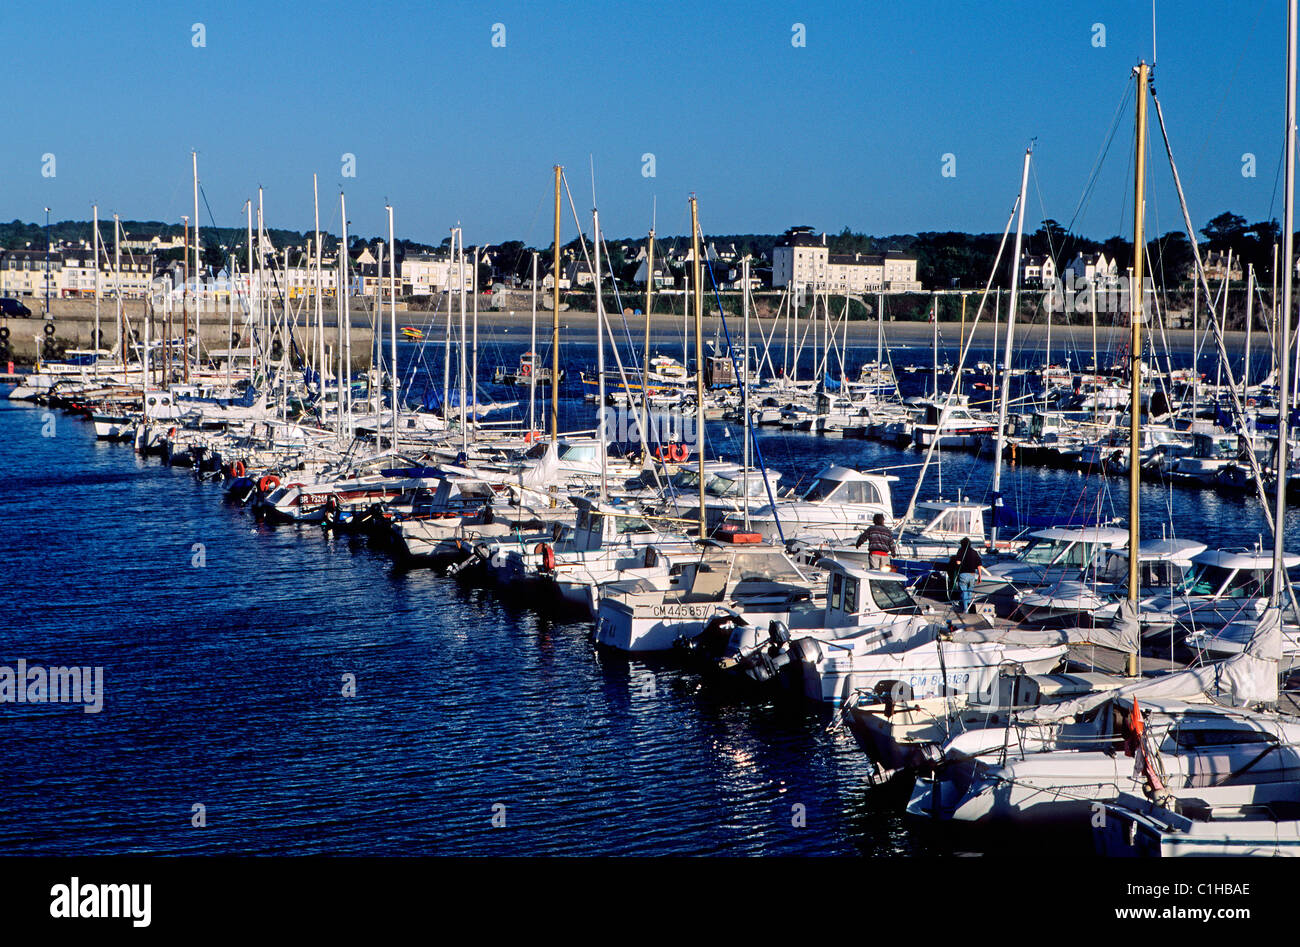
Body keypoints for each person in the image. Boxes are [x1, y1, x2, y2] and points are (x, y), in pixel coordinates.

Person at [949, 537, 983, 613]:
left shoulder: (961, 551)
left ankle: (965, 609)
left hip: (963, 574)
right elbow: (979, 565)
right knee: (969, 593)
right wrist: (980, 576)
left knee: (964, 592)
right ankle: (968, 607)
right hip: (972, 574)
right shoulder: (974, 552)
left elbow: (958, 562)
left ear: (962, 544)